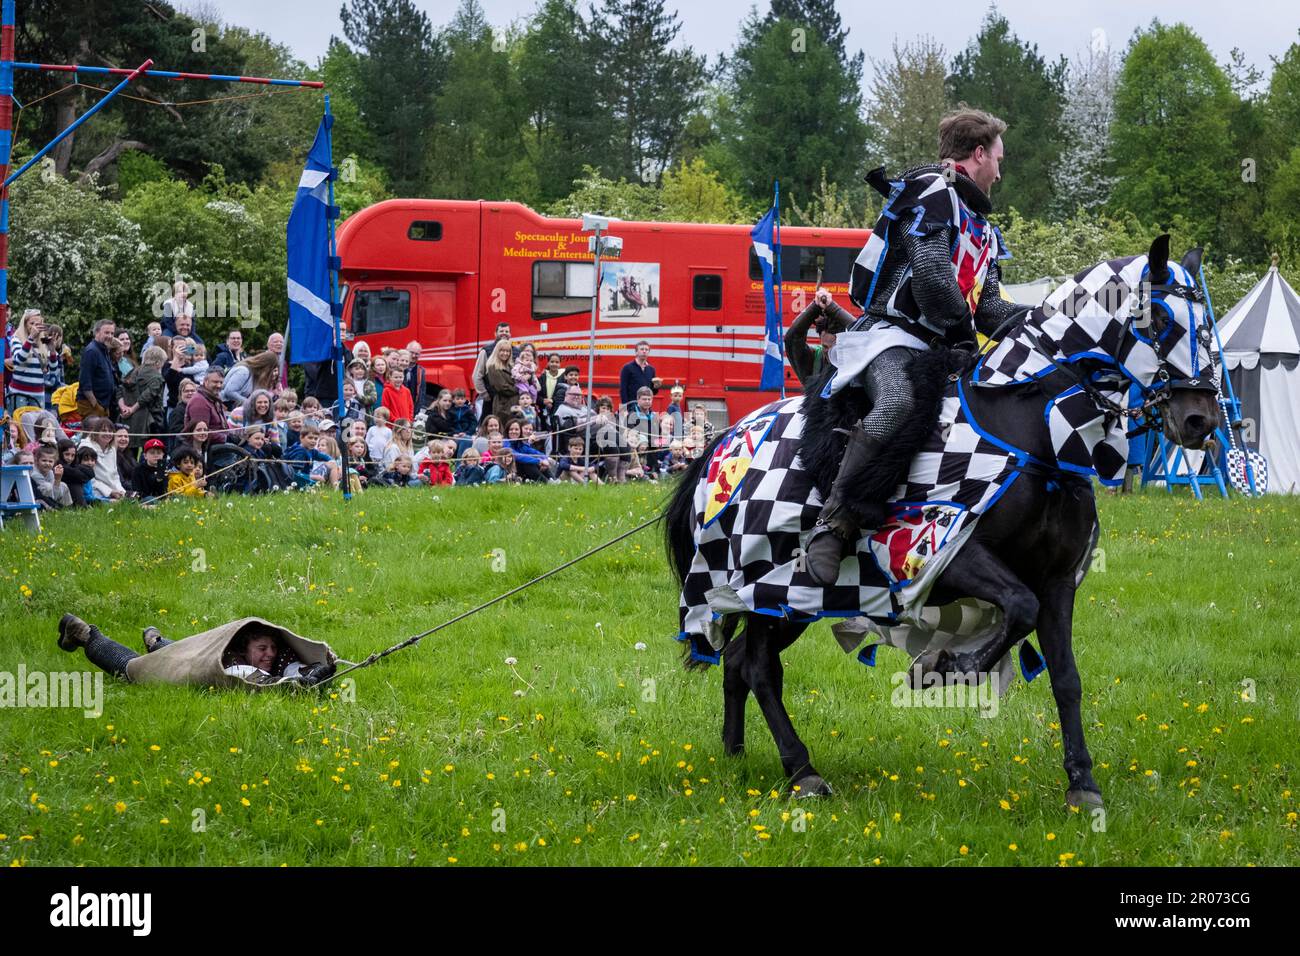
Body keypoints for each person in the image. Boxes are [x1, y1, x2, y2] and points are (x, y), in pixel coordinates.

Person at [803, 107, 1021, 585]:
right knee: (899, 400)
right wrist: (964, 331)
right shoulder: (931, 191)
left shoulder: (982, 229)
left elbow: (989, 308)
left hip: (943, 349)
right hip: (892, 336)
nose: (1001, 172)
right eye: (999, 159)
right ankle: (832, 523)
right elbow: (931, 277)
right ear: (979, 153)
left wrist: (1041, 322)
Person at [53, 614, 335, 687]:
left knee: (176, 652)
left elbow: (290, 667)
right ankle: (85, 634)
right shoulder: (237, 666)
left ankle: (158, 642)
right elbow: (263, 680)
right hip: (196, 663)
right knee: (134, 670)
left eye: (273, 647)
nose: (270, 654)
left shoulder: (276, 656)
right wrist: (300, 684)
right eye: (262, 648)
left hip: (191, 654)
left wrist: (314, 671)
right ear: (245, 647)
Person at [787, 287, 853, 389]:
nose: (831, 353)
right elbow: (792, 338)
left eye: (836, 348)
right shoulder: (814, 361)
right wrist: (815, 306)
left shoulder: (857, 361)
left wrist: (833, 308)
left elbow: (865, 335)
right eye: (826, 347)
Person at [121, 346, 167, 452]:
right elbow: (147, 396)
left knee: (130, 451)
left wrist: (124, 407)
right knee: (155, 450)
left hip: (131, 418)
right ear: (158, 363)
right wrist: (133, 408)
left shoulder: (133, 372)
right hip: (152, 419)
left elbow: (120, 389)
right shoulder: (157, 377)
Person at [7, 309, 49, 413]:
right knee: (19, 426)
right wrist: (30, 339)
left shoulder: (43, 341)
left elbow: (52, 370)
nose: (35, 326)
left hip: (38, 394)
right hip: (19, 392)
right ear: (25, 324)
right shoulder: (16, 339)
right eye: (32, 323)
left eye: (38, 324)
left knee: (37, 428)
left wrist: (52, 351)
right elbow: (18, 360)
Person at [78, 416, 126, 500]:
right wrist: (109, 492)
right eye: (104, 431)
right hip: (94, 491)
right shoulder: (86, 447)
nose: (108, 433)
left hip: (114, 491)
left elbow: (115, 475)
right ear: (96, 432)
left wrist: (121, 491)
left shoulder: (112, 449)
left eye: (110, 431)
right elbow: (89, 479)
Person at [77, 319, 117, 420]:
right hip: (91, 405)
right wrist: (96, 406)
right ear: (97, 332)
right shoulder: (92, 351)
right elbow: (85, 383)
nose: (110, 336)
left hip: (103, 404)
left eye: (112, 333)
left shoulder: (104, 350)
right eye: (106, 332)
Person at [185, 367, 232, 444]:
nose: (219, 385)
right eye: (215, 382)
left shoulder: (214, 398)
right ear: (205, 381)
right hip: (209, 448)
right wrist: (226, 438)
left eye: (221, 382)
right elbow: (200, 433)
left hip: (220, 444)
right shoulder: (199, 401)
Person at [484, 338, 519, 423]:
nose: (505, 353)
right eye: (502, 351)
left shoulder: (511, 366)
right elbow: (503, 388)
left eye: (508, 351)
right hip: (503, 407)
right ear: (497, 351)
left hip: (514, 405)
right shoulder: (493, 367)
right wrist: (519, 388)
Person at [618, 340, 661, 408]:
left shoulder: (651, 370)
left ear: (648, 352)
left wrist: (656, 387)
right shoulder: (627, 368)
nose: (644, 351)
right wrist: (625, 408)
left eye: (646, 349)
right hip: (631, 407)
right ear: (636, 352)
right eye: (642, 349)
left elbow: (652, 392)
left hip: (646, 408)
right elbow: (623, 390)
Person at [31, 443, 72, 508]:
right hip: (37, 498)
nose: (47, 463)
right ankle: (52, 507)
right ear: (36, 461)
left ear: (54, 463)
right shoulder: (35, 473)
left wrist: (58, 479)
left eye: (50, 461)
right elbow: (52, 494)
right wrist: (57, 480)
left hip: (50, 496)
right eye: (44, 460)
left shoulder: (50, 472)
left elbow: (55, 490)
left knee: (63, 485)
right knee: (48, 486)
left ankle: (67, 507)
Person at [135, 438, 169, 503]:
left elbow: (163, 493)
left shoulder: (164, 470)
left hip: (159, 498)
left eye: (159, 453)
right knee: (151, 499)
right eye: (152, 453)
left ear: (163, 455)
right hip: (144, 499)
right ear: (145, 456)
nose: (156, 455)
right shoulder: (138, 470)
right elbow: (137, 491)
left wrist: (160, 481)